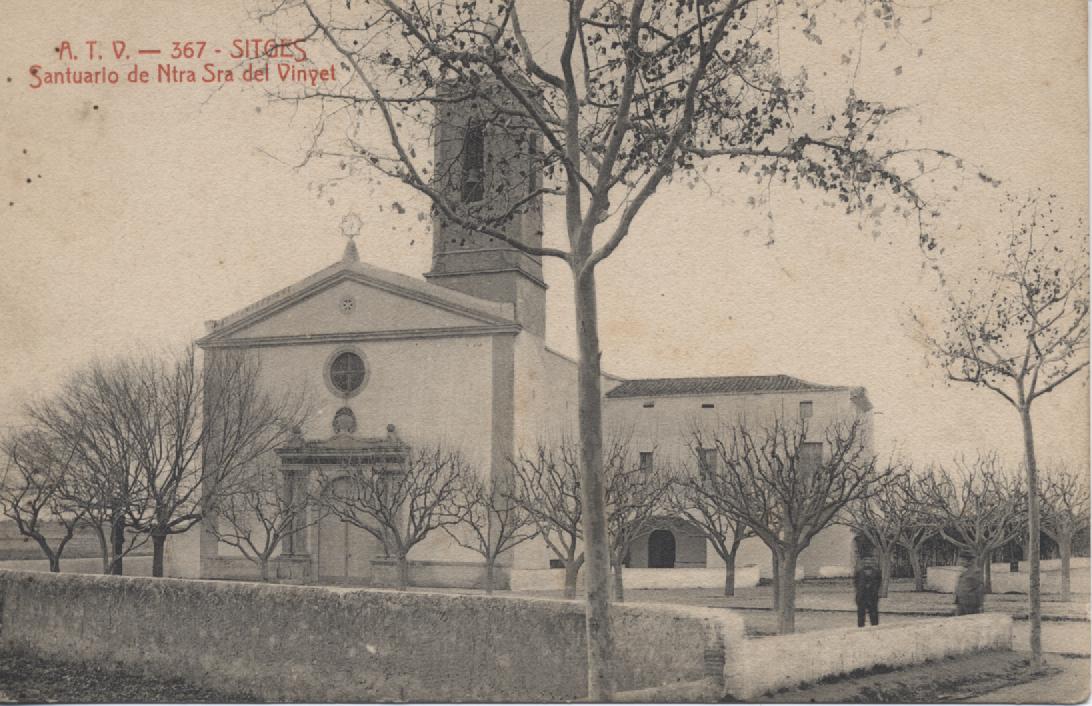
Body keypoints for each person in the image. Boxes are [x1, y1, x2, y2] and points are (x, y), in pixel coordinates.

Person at [853, 553, 882, 627]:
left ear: (872, 563)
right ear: (863, 563)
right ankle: (861, 628)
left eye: (869, 562)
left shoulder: (876, 572)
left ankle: (875, 627)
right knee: (861, 614)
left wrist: (874, 589)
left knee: (874, 614)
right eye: (866, 562)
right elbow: (856, 583)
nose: (867, 564)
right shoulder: (859, 572)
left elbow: (879, 582)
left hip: (872, 596)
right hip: (862, 596)